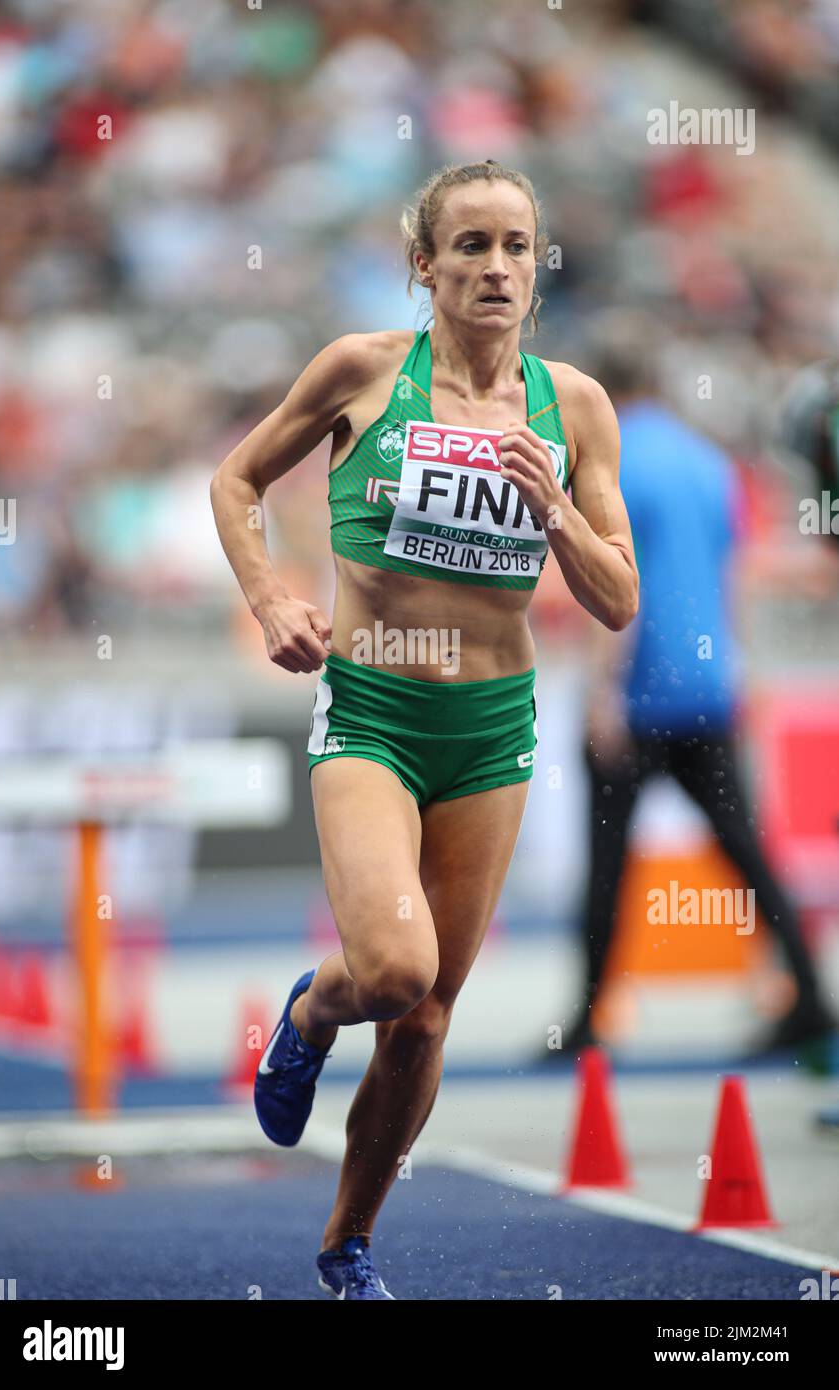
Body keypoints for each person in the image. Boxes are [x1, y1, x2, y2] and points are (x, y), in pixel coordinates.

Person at [210, 160, 638, 1299]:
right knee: (395, 968)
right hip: (372, 710)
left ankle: (346, 1245)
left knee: (429, 1015)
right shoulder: (361, 371)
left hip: (491, 727)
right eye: (470, 246)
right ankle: (312, 1006)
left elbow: (617, 598)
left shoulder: (573, 405)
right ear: (424, 265)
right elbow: (236, 480)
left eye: (514, 246)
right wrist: (270, 600)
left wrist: (551, 506)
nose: (495, 268)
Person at [545, 313, 836, 1061]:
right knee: (746, 850)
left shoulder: (609, 464)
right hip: (709, 686)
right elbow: (732, 579)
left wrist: (604, 696)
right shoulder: (710, 463)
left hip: (641, 692)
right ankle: (808, 992)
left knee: (608, 862)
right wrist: (743, 670)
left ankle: (586, 1019)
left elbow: (612, 593)